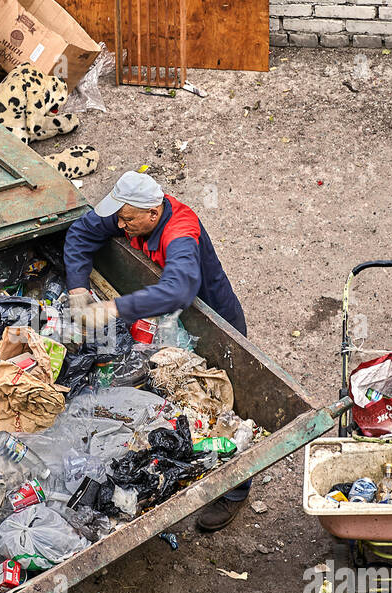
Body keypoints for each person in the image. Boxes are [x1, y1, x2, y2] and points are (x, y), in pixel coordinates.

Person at [62, 170, 251, 531]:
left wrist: (112, 309)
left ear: (153, 213)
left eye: (127, 219)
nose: (118, 225)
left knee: (221, 407)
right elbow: (81, 234)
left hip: (212, 328)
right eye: (118, 217)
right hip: (165, 328)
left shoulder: (180, 230)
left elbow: (178, 291)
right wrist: (77, 290)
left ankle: (235, 490)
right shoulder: (130, 214)